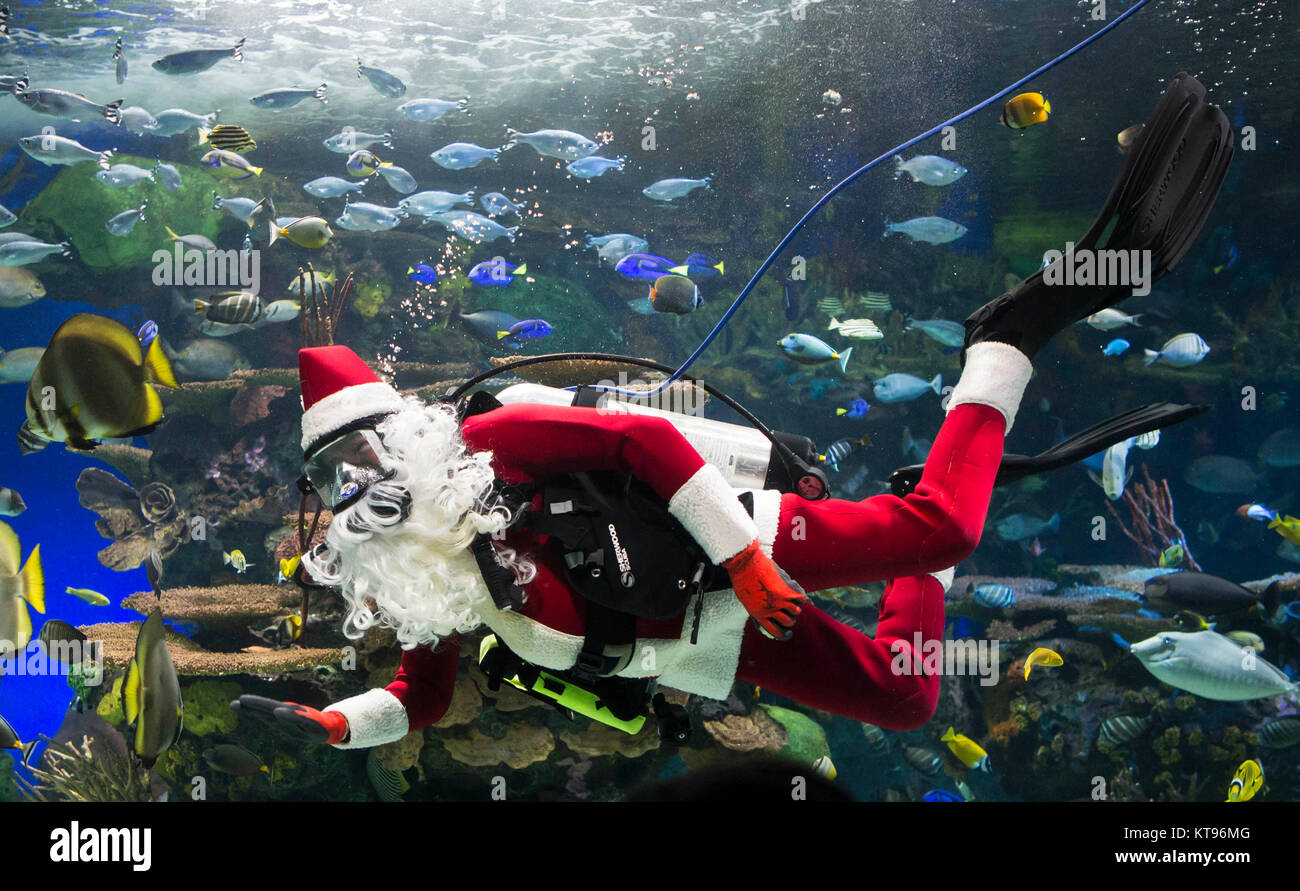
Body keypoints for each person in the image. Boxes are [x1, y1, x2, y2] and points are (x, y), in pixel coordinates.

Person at [234, 73, 1231, 752]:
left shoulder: (487, 442)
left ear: (395, 432)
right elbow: (426, 697)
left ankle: (1004, 339)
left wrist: (749, 566)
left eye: (355, 459)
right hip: (695, 639)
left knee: (947, 524)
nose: (354, 490)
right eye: (329, 481)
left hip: (727, 539)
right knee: (904, 695)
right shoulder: (427, 590)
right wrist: (331, 724)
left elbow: (643, 434)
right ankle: (925, 498)